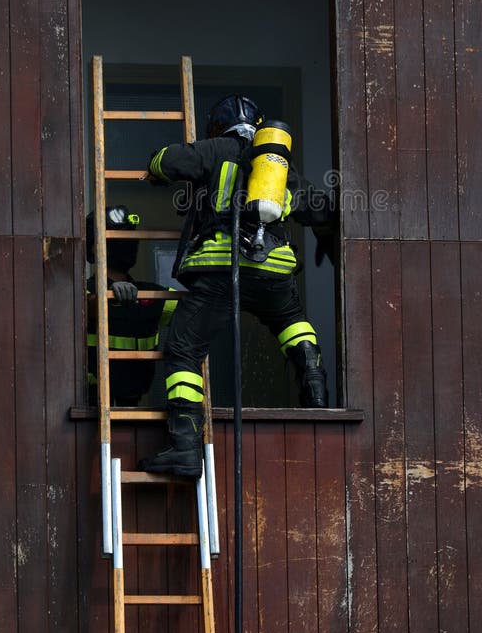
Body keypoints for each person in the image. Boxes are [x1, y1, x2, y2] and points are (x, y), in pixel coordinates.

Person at [138, 95, 335, 478]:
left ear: (218, 126)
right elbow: (321, 208)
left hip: (221, 266)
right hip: (274, 268)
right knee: (291, 321)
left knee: (183, 349)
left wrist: (156, 165)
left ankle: (185, 446)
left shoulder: (217, 148)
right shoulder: (279, 167)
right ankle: (318, 397)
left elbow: (166, 161)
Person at [86, 205, 178, 406]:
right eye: (119, 236)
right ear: (94, 247)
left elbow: (195, 311)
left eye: (130, 236)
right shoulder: (82, 294)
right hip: (91, 407)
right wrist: (107, 295)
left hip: (134, 406)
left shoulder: (151, 296)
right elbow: (83, 308)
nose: (127, 243)